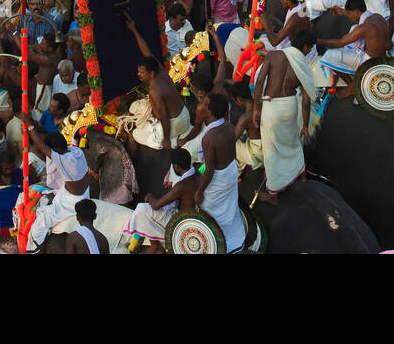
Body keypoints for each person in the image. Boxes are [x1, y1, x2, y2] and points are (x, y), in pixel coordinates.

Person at [252, 30, 317, 204]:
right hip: (290, 105)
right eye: (309, 49)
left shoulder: (273, 56)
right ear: (304, 46)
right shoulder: (302, 64)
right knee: (293, 141)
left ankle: (273, 194)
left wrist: (256, 108)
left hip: (271, 106)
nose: (308, 52)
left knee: (271, 147)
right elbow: (305, 100)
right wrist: (304, 125)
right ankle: (301, 174)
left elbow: (259, 82)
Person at [121, 11, 191, 155]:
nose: (138, 75)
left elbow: (164, 117)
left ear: (150, 74)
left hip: (176, 124)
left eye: (141, 73)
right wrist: (134, 30)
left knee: (134, 135)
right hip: (185, 114)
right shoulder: (159, 69)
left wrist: (166, 139)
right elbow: (146, 50)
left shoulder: (154, 90)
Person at [195, 93, 248, 253]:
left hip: (218, 177)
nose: (201, 105)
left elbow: (209, 170)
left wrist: (200, 191)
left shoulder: (210, 138)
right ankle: (237, 237)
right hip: (231, 170)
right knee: (229, 207)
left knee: (213, 211)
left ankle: (225, 244)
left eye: (205, 104)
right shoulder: (227, 125)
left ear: (210, 112)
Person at [124, 147, 198, 252]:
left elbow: (156, 205)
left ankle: (156, 246)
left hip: (182, 224)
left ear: (176, 167)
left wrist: (150, 196)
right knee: (147, 211)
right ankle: (157, 245)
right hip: (192, 219)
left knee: (142, 209)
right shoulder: (198, 175)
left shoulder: (182, 185)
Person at [26, 132, 91, 251]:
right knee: (43, 206)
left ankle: (35, 250)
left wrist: (28, 124)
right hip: (77, 193)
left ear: (57, 149)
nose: (50, 155)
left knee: (38, 226)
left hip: (72, 203)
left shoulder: (64, 159)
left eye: (52, 152)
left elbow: (43, 147)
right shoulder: (76, 152)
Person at [316, 0, 390, 94]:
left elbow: (339, 42)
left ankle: (352, 86)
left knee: (330, 55)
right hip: (383, 55)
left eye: (350, 14)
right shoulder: (377, 16)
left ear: (356, 11)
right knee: (353, 28)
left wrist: (317, 41)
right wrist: (342, 11)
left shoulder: (363, 28)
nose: (349, 17)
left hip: (370, 63)